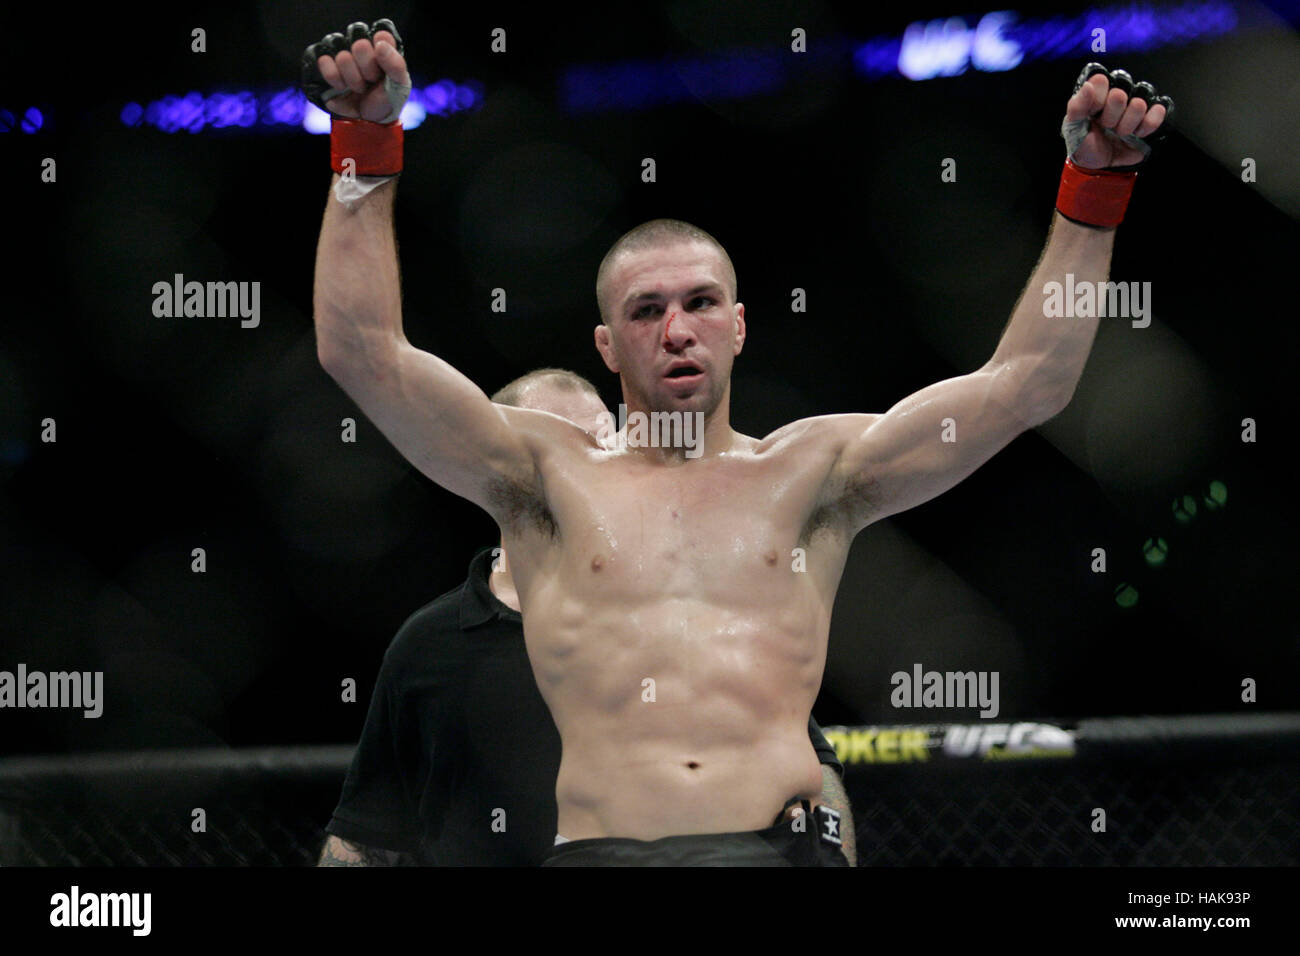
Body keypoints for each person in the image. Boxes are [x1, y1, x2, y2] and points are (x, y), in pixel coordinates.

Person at [304, 20, 1170, 864]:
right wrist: (363, 145)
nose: (677, 330)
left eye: (701, 303)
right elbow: (362, 352)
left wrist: (1092, 193)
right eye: (646, 311)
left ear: (741, 327)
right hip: (606, 854)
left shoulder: (816, 472)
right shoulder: (543, 475)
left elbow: (1028, 384)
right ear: (608, 347)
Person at [317, 368, 857, 865]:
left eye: (603, 443)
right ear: (497, 468)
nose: (589, 464)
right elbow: (364, 838)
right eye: (560, 447)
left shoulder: (679, 612)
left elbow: (809, 765)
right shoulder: (431, 646)